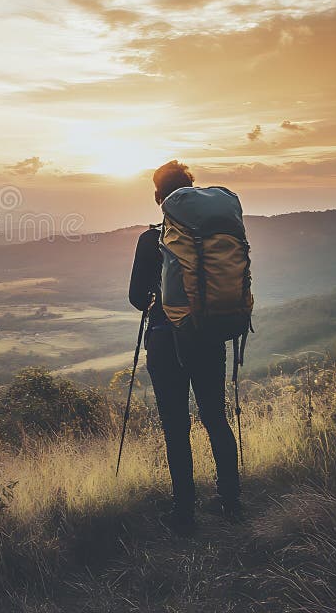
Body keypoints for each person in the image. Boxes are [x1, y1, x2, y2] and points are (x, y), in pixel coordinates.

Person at [128, 160, 242, 535]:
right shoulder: (210, 238)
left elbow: (135, 297)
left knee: (175, 426)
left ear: (160, 197)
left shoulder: (150, 239)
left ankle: (184, 512)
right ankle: (230, 502)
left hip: (164, 339)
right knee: (215, 418)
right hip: (208, 334)